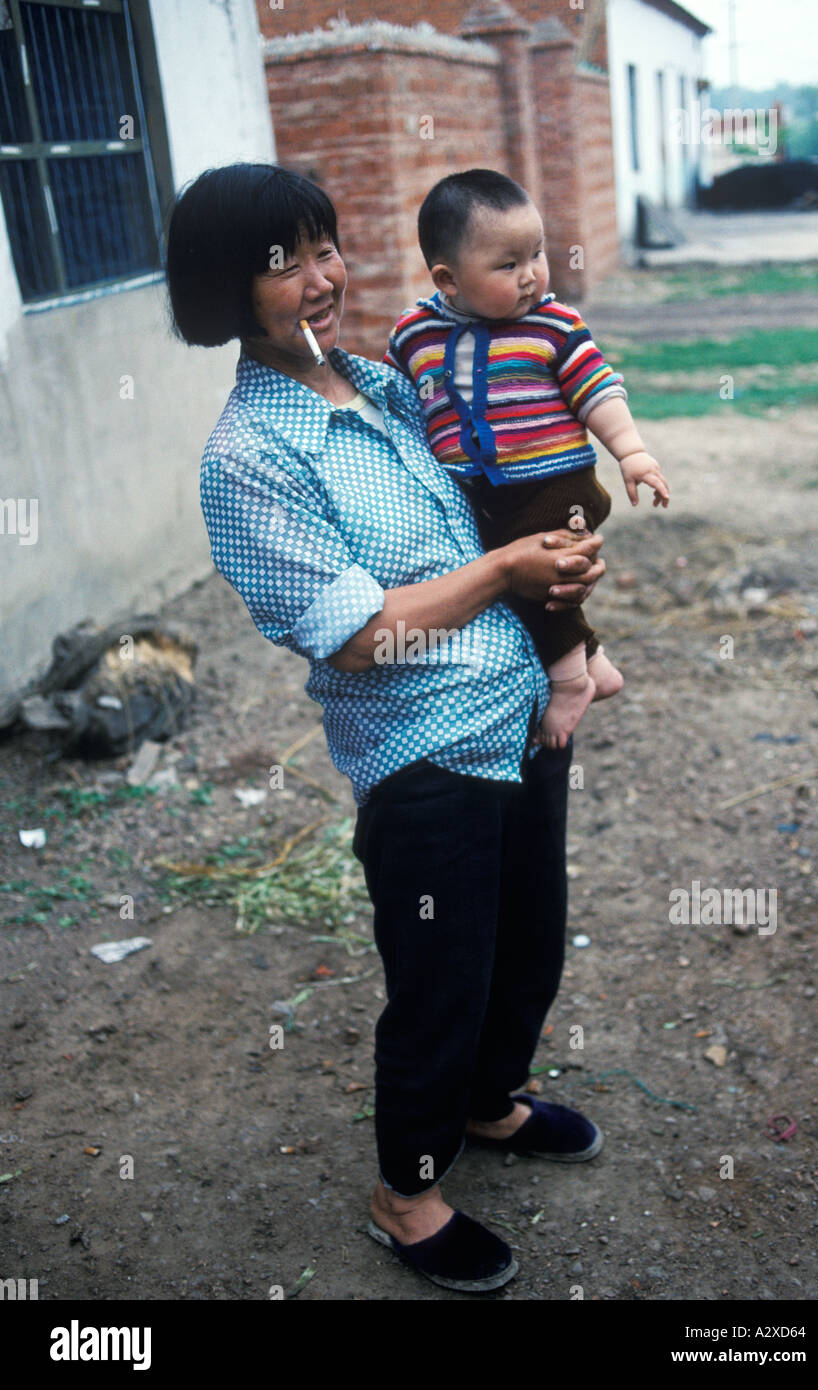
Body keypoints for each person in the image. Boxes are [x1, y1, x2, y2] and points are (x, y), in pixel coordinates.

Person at [166, 162, 608, 1294]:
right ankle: (406, 1194)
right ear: (225, 290)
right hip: (423, 756)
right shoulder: (247, 458)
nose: (319, 281)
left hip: (516, 710)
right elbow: (357, 635)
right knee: (441, 975)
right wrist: (510, 564)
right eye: (283, 265)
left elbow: (500, 460)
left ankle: (491, 1102)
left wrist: (559, 559)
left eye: (325, 249)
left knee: (527, 941)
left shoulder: (381, 380)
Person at [385, 169, 671, 749]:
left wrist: (632, 452)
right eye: (507, 264)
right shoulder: (414, 335)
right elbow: (397, 400)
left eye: (536, 254)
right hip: (482, 494)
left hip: (554, 482)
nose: (531, 275)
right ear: (449, 280)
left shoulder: (553, 326)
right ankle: (592, 661)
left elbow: (597, 390)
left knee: (548, 575)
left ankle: (568, 684)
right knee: (514, 579)